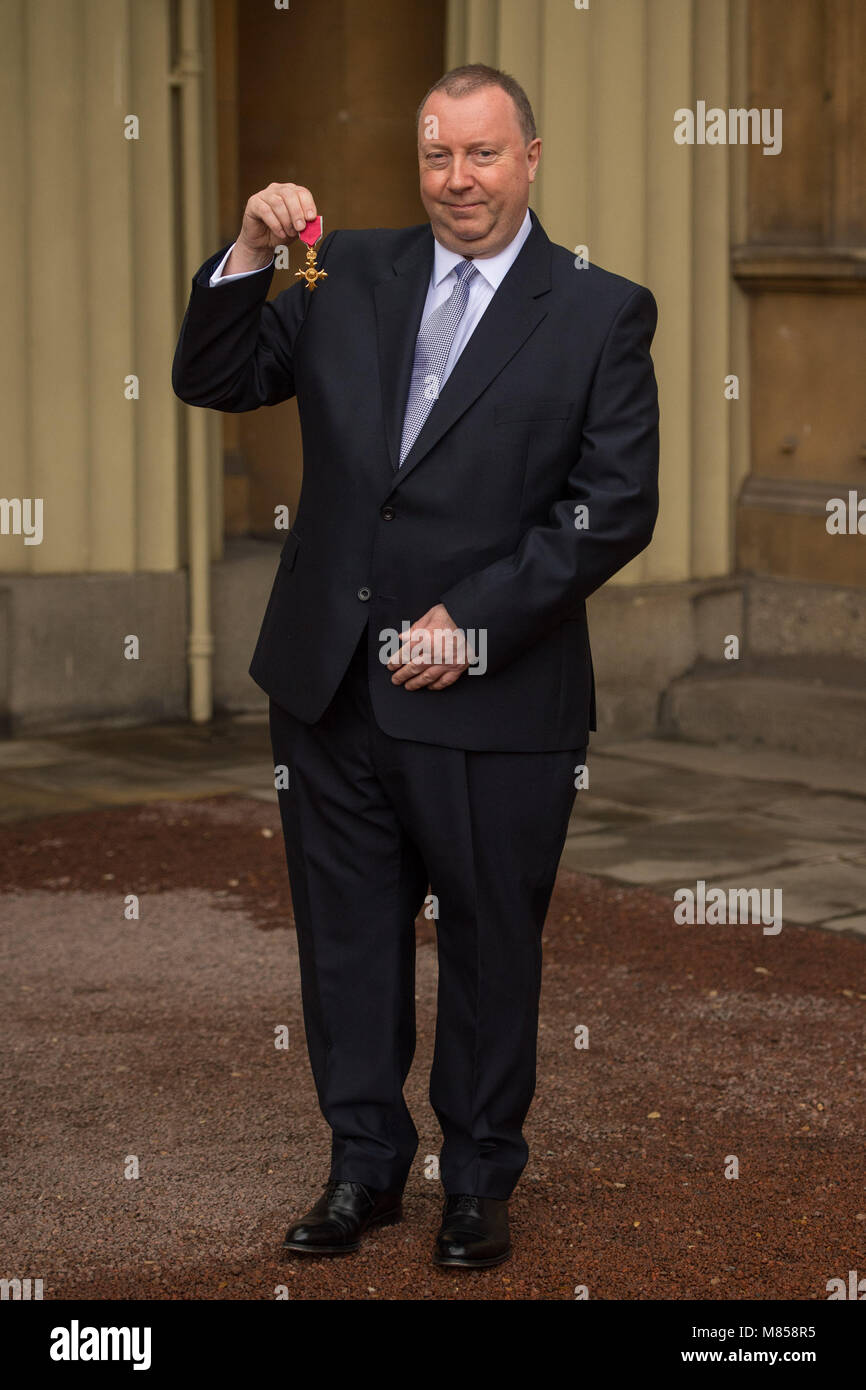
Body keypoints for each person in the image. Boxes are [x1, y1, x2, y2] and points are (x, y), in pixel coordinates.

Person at [172, 64, 659, 1270]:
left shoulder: (600, 310)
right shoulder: (343, 277)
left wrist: (476, 620)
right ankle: (361, 1170)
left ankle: (479, 1180)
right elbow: (214, 378)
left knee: (491, 942)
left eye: (483, 156)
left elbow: (613, 508)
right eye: (438, 157)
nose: (458, 181)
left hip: (494, 697)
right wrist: (243, 251)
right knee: (345, 940)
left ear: (530, 159)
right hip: (328, 687)